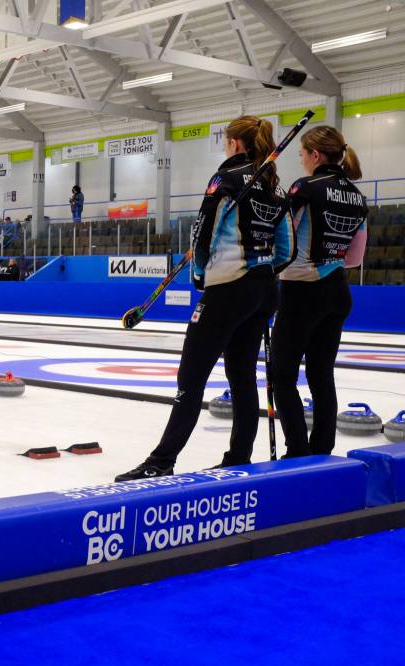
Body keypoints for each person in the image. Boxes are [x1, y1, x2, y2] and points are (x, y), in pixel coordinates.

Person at [116, 115, 294, 481]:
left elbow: (201, 236)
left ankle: (162, 460)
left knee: (191, 378)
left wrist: (201, 275)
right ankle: (238, 457)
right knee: (242, 377)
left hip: (228, 289)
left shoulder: (225, 178)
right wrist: (260, 266)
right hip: (264, 290)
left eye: (227, 141)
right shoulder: (275, 186)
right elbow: (286, 249)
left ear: (235, 144)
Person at [272, 126, 368, 459]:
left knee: (282, 373)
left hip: (302, 291)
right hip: (338, 290)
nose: (301, 160)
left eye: (301, 154)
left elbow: (283, 237)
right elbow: (355, 258)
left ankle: (297, 450)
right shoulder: (358, 195)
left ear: (314, 155)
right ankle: (322, 450)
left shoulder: (305, 187)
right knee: (320, 373)